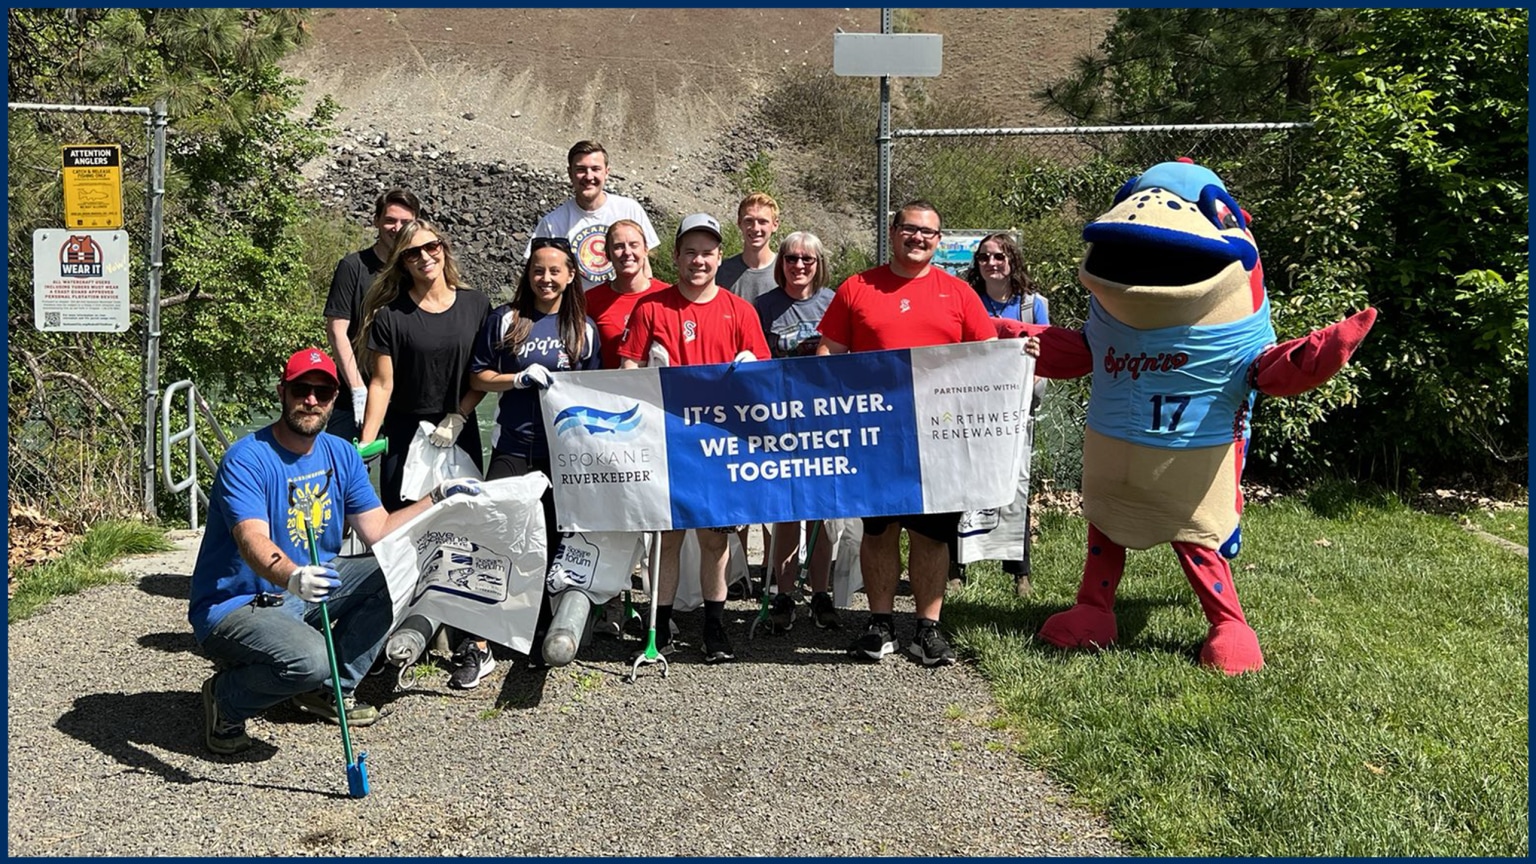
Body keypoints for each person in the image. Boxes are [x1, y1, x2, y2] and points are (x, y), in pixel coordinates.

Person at [189, 347, 482, 755]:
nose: (311, 400)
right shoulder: (247, 459)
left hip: (313, 585)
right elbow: (252, 540)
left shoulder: (341, 453)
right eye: (301, 390)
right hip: (242, 603)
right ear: (282, 392)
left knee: (399, 570)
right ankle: (227, 699)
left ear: (334, 400)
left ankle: (329, 688)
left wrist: (437, 498)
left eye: (323, 392)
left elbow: (379, 531)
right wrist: (293, 575)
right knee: (309, 660)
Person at [816, 200, 1000, 667]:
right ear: (893, 231)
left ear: (938, 241)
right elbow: (829, 352)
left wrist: (1024, 354)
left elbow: (989, 357)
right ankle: (880, 623)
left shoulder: (958, 293)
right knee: (879, 531)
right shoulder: (857, 287)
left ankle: (927, 628)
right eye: (909, 229)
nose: (918, 238)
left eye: (928, 232)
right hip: (874, 436)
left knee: (931, 535)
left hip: (938, 436)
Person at [618, 213, 771, 664]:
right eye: (690, 253)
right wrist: (643, 377)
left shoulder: (739, 310)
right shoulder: (651, 309)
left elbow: (762, 374)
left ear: (719, 257)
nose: (698, 261)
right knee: (667, 538)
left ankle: (714, 626)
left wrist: (751, 370)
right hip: (666, 444)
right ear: (677, 256)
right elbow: (628, 368)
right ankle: (660, 622)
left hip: (718, 447)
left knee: (714, 540)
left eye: (707, 253)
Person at [463, 236, 600, 683]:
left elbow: (592, 390)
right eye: (538, 270)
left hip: (563, 454)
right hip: (513, 446)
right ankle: (480, 642)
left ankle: (542, 629)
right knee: (495, 538)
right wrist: (517, 379)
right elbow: (479, 377)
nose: (546, 278)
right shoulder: (506, 319)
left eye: (555, 270)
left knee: (552, 542)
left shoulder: (583, 328)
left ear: (571, 275)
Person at [355, 220, 490, 512]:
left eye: (431, 247)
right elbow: (382, 384)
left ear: (443, 248)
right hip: (404, 436)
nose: (425, 257)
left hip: (457, 430)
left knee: (464, 524)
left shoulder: (476, 305)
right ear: (402, 262)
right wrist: (365, 444)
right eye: (412, 253)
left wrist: (459, 416)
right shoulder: (390, 316)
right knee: (402, 526)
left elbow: (483, 374)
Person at [752, 230, 840, 633]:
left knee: (820, 513)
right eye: (791, 258)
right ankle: (784, 593)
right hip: (779, 423)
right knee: (786, 512)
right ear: (781, 263)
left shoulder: (834, 303)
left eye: (808, 259)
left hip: (822, 423)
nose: (799, 265)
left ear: (819, 264)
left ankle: (820, 593)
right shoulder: (764, 307)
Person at [962, 232, 1050, 596]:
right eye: (984, 257)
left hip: (1015, 411)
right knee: (962, 484)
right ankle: (956, 568)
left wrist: (1031, 376)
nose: (991, 263)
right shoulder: (966, 299)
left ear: (1012, 260)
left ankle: (1019, 572)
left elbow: (1047, 354)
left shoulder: (1033, 305)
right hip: (971, 408)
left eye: (999, 256)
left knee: (1016, 486)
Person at [322, 189, 421, 439]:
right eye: (390, 220)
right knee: (341, 461)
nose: (397, 228)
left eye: (405, 222)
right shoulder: (353, 267)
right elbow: (336, 331)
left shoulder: (419, 271)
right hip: (355, 398)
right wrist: (357, 388)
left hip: (406, 400)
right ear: (376, 221)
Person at [528, 140, 660, 286]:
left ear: (607, 172)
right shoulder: (552, 224)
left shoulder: (629, 209)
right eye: (581, 169)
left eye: (595, 169)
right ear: (570, 173)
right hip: (577, 301)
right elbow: (535, 272)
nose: (589, 176)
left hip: (625, 300)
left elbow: (645, 266)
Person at [585, 219, 668, 370]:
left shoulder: (667, 295)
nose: (627, 252)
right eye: (618, 246)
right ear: (608, 254)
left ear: (645, 249)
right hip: (608, 383)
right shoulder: (591, 300)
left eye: (634, 245)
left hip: (659, 383)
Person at [717, 192, 781, 305]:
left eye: (763, 221)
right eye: (749, 221)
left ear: (775, 225)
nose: (755, 228)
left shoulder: (786, 271)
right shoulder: (722, 272)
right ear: (739, 223)